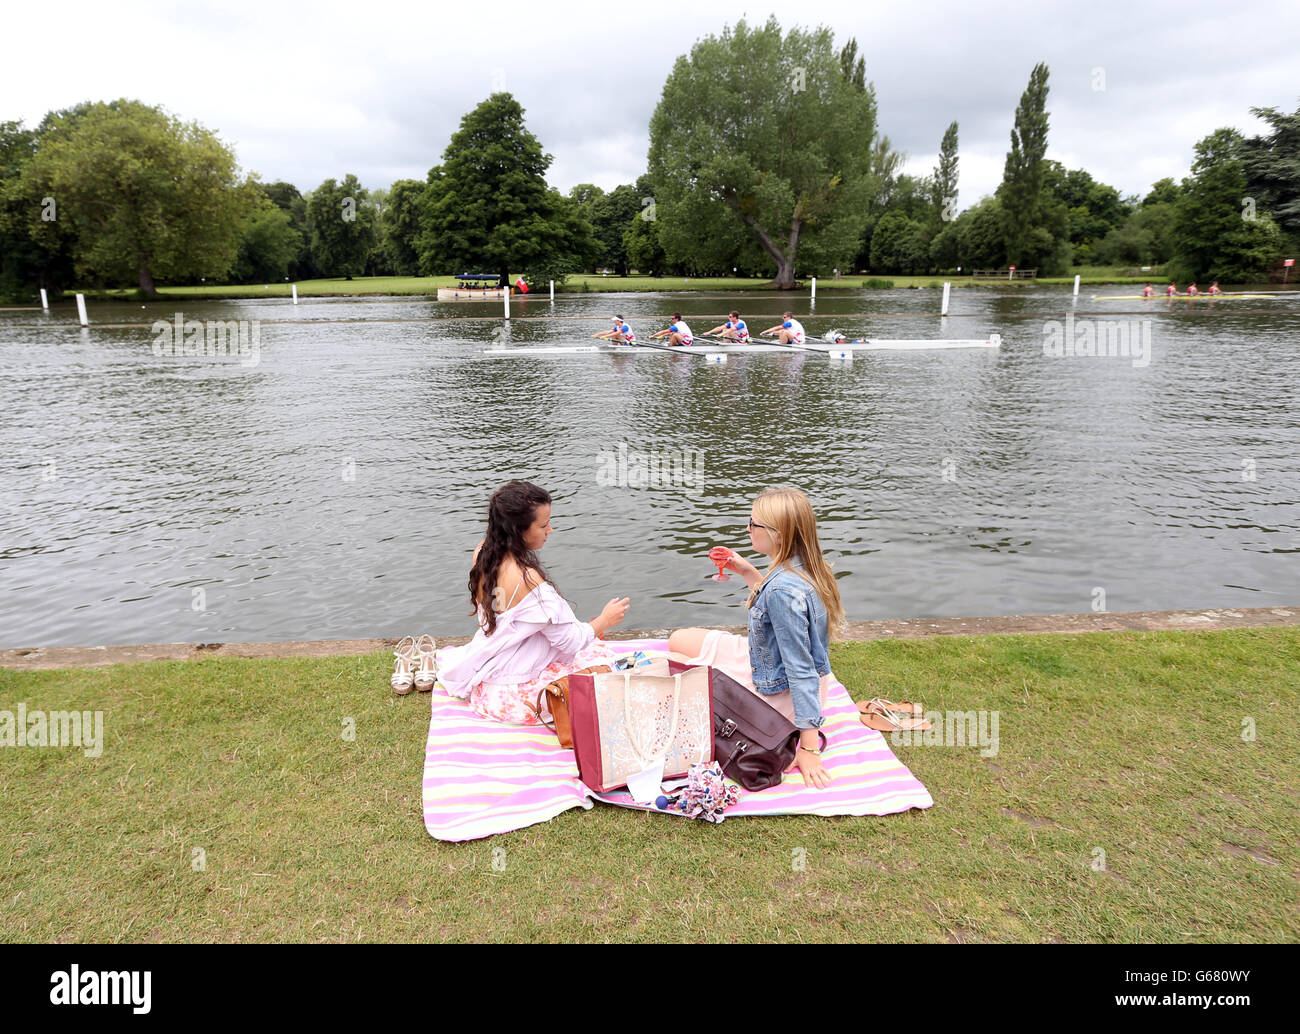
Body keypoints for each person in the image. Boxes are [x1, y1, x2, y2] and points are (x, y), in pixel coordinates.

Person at [668, 486, 848, 790]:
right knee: (678, 641)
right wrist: (747, 571)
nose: (748, 529)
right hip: (768, 660)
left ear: (777, 534)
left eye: (754, 524)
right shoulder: (802, 568)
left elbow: (801, 670)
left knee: (676, 668)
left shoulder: (782, 590)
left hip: (776, 688)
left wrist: (808, 747)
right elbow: (780, 614)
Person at [435, 481, 631, 724]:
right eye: (543, 524)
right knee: (606, 668)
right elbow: (570, 642)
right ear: (519, 530)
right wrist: (605, 620)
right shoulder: (529, 582)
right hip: (517, 695)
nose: (550, 530)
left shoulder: (482, 552)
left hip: (487, 682)